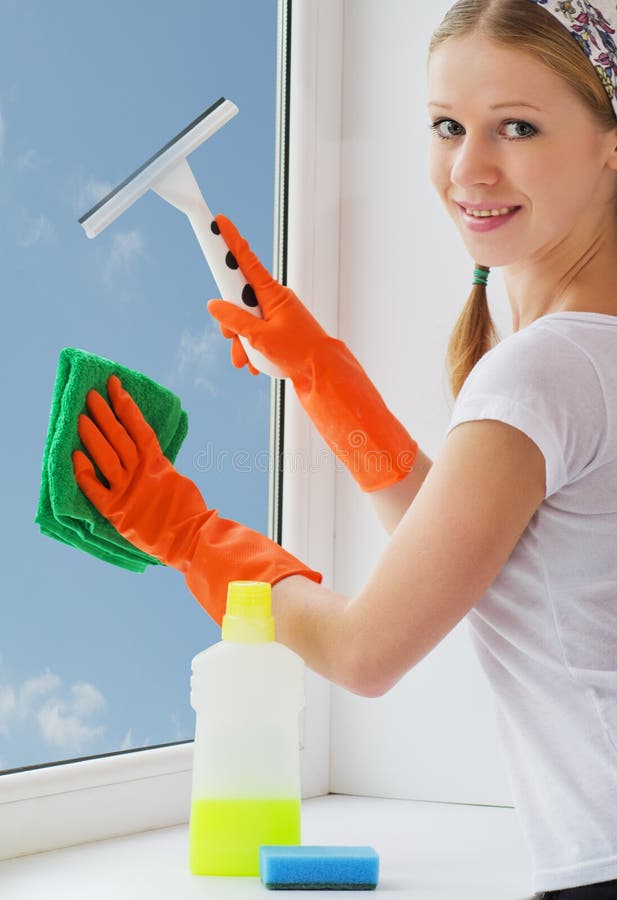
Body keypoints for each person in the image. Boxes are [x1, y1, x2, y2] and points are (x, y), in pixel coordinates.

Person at [71, 1, 617, 896]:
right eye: (446, 126)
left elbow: (366, 652)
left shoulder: (544, 371)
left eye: (516, 126)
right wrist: (322, 376)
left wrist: (187, 534)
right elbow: (466, 552)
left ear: (607, 142)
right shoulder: (575, 357)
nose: (468, 168)